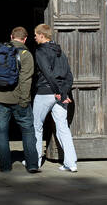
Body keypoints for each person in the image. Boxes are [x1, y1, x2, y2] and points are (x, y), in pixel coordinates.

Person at [0, 26, 39, 173]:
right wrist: (24, 100)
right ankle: (32, 164)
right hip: (18, 99)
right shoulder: (26, 54)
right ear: (25, 39)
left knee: (1, 132)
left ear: (11, 36)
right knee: (28, 130)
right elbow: (26, 80)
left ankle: (4, 166)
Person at [32, 23, 78, 172]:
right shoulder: (60, 51)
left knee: (36, 126)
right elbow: (69, 75)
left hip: (45, 92)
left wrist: (58, 92)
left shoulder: (40, 51)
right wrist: (63, 93)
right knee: (63, 127)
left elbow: (47, 73)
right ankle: (71, 163)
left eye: (35, 35)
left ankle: (35, 161)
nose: (34, 37)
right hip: (60, 94)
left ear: (42, 35)